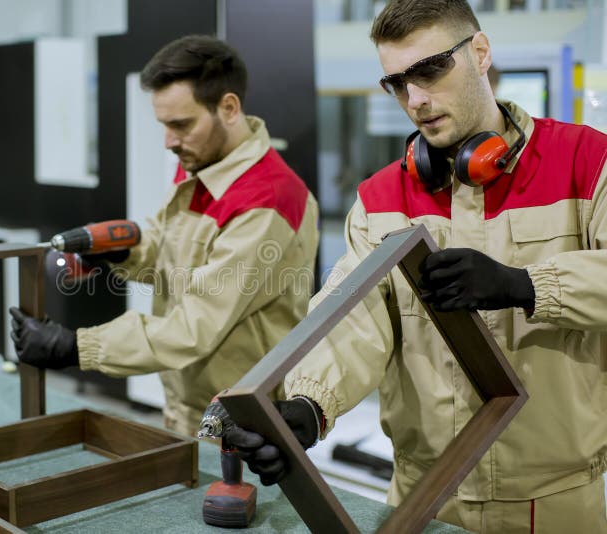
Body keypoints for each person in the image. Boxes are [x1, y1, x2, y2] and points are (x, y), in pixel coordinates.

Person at [225, 1, 607, 532]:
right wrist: (310, 405)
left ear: (480, 52)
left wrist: (524, 284)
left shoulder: (586, 162)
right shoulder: (382, 197)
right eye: (397, 84)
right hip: (424, 494)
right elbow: (356, 317)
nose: (416, 100)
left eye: (430, 71)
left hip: (556, 501)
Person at [9, 34, 319, 438]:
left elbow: (195, 326)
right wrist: (123, 251)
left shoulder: (269, 199)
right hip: (186, 402)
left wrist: (75, 346)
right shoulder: (202, 162)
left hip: (244, 422)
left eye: (181, 124)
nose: (169, 141)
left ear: (228, 107)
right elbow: (168, 249)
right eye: (164, 125)